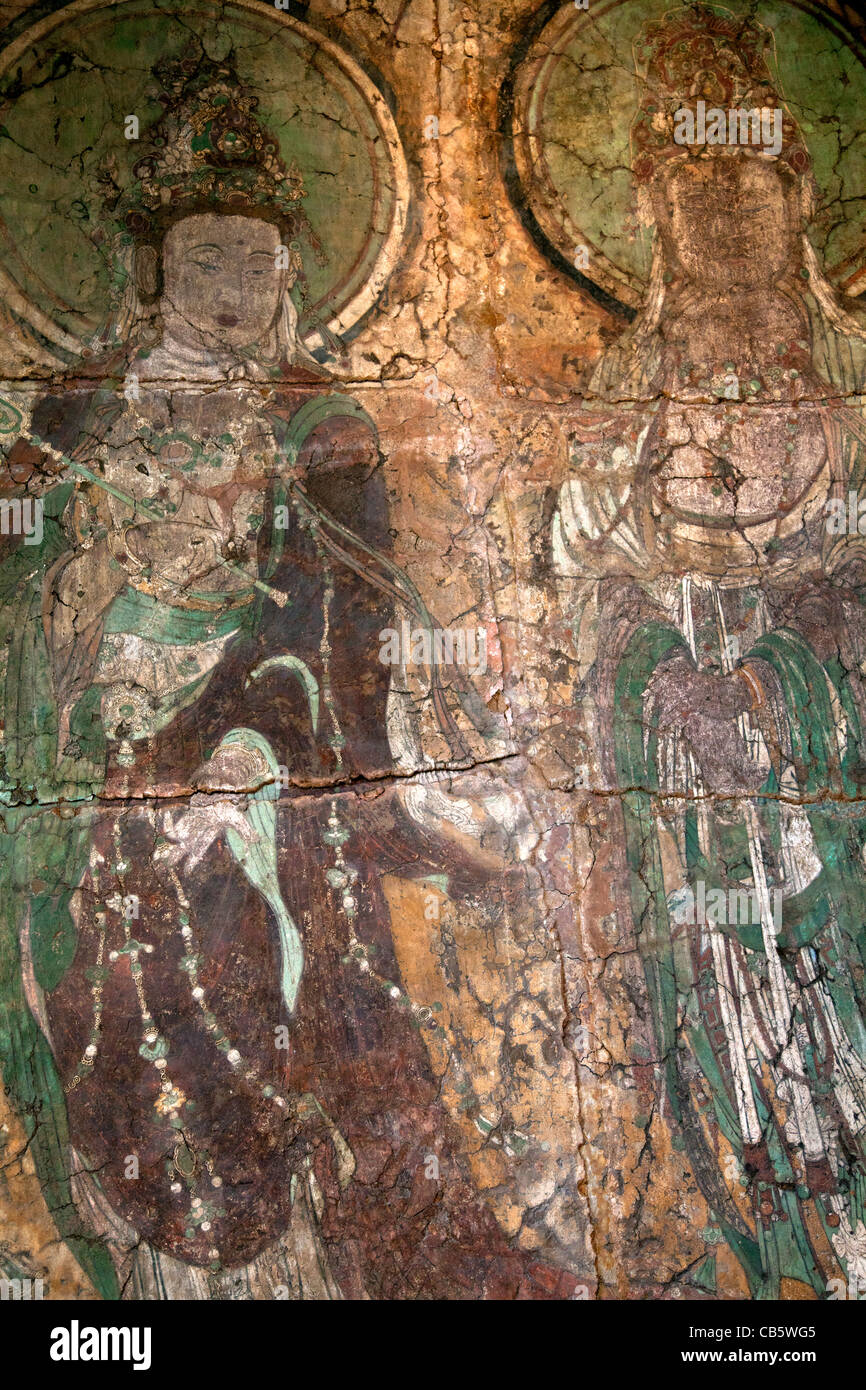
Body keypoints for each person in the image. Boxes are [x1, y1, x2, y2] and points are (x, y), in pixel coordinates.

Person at [0, 53, 573, 1300]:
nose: (235, 283)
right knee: (102, 1007)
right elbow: (16, 566)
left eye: (258, 258)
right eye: (205, 254)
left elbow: (348, 618)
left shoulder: (320, 425)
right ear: (154, 264)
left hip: (259, 775)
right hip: (89, 768)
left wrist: (249, 749)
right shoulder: (79, 412)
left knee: (280, 999)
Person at [552, 2, 866, 1297]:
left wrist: (779, 678)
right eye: (696, 190)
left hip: (828, 778)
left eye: (749, 184)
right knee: (725, 1038)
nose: (724, 216)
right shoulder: (622, 390)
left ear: (796, 200)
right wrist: (667, 678)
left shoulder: (853, 375)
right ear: (652, 213)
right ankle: (762, 1248)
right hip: (682, 792)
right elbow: (576, 583)